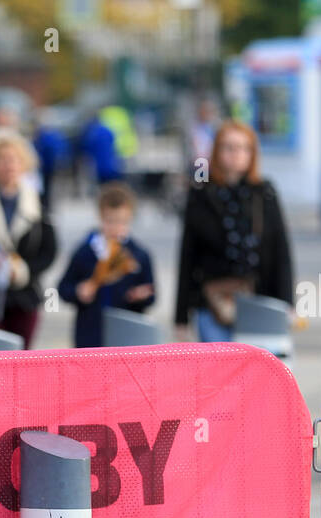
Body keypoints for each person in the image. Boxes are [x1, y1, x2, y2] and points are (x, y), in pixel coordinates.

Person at [174, 120, 293, 343]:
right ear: (217, 152)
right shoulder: (201, 193)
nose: (236, 154)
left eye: (243, 148)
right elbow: (187, 255)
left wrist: (287, 303)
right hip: (211, 302)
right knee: (219, 375)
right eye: (229, 147)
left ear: (252, 154)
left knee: (254, 374)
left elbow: (281, 250)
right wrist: (180, 317)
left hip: (258, 300)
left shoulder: (264, 192)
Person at [0, 129, 57, 347]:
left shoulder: (38, 203)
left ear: (24, 164)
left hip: (26, 296)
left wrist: (23, 270)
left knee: (22, 358)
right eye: (2, 160)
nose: (9, 165)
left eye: (14, 160)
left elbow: (50, 251)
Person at [59, 183, 155, 348]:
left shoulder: (139, 254)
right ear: (101, 218)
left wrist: (141, 296)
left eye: (122, 222)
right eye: (111, 221)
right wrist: (78, 292)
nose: (117, 228)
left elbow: (152, 293)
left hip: (127, 336)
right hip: (90, 334)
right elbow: (61, 288)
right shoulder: (86, 252)